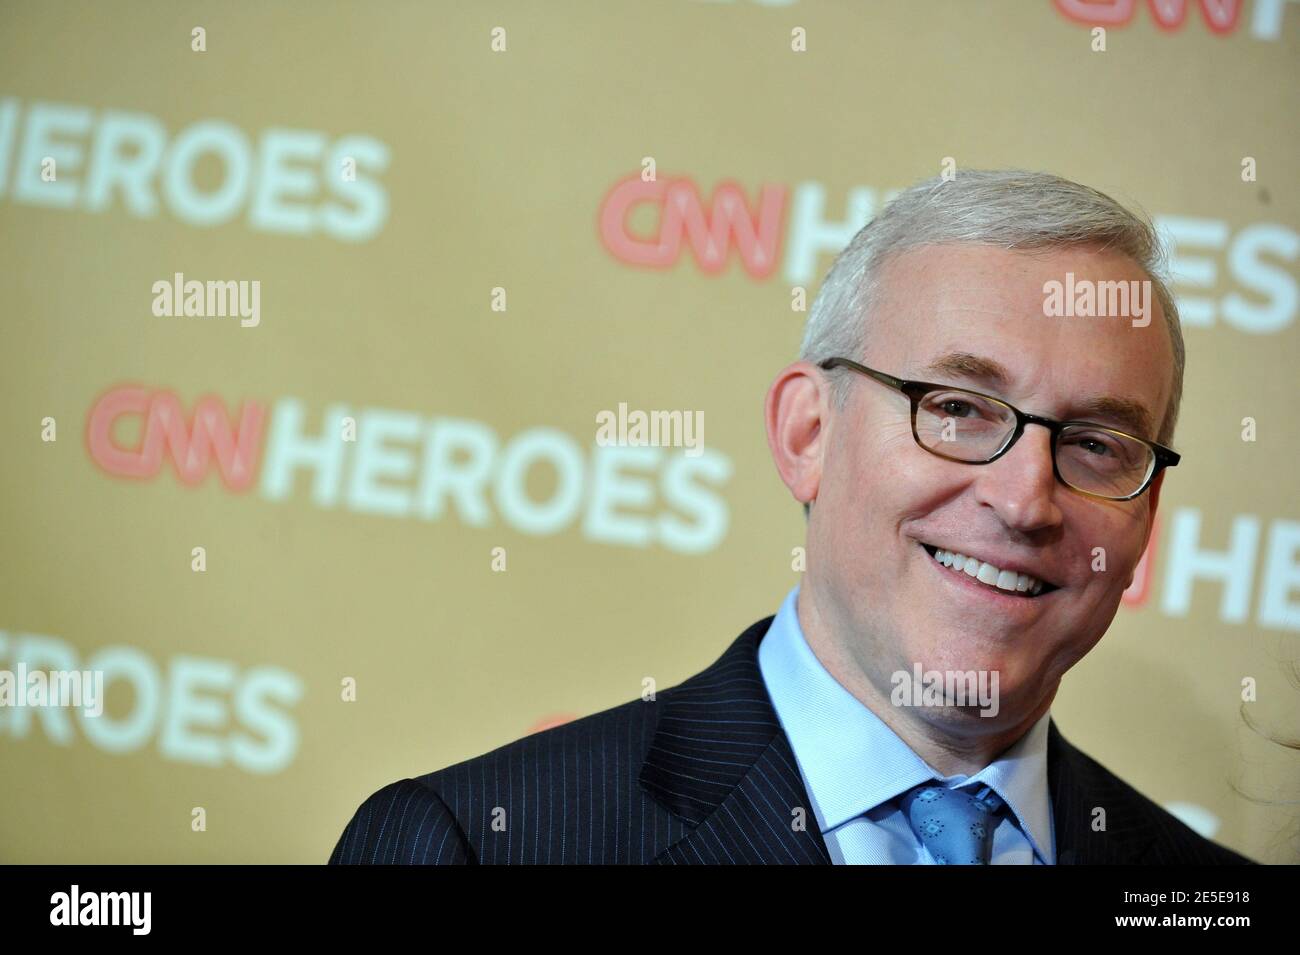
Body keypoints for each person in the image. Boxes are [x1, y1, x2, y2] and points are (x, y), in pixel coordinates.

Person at [329, 169, 1253, 865]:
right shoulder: (481, 846)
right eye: (958, 409)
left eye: (1096, 444)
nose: (1022, 501)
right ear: (809, 432)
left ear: (1147, 513)